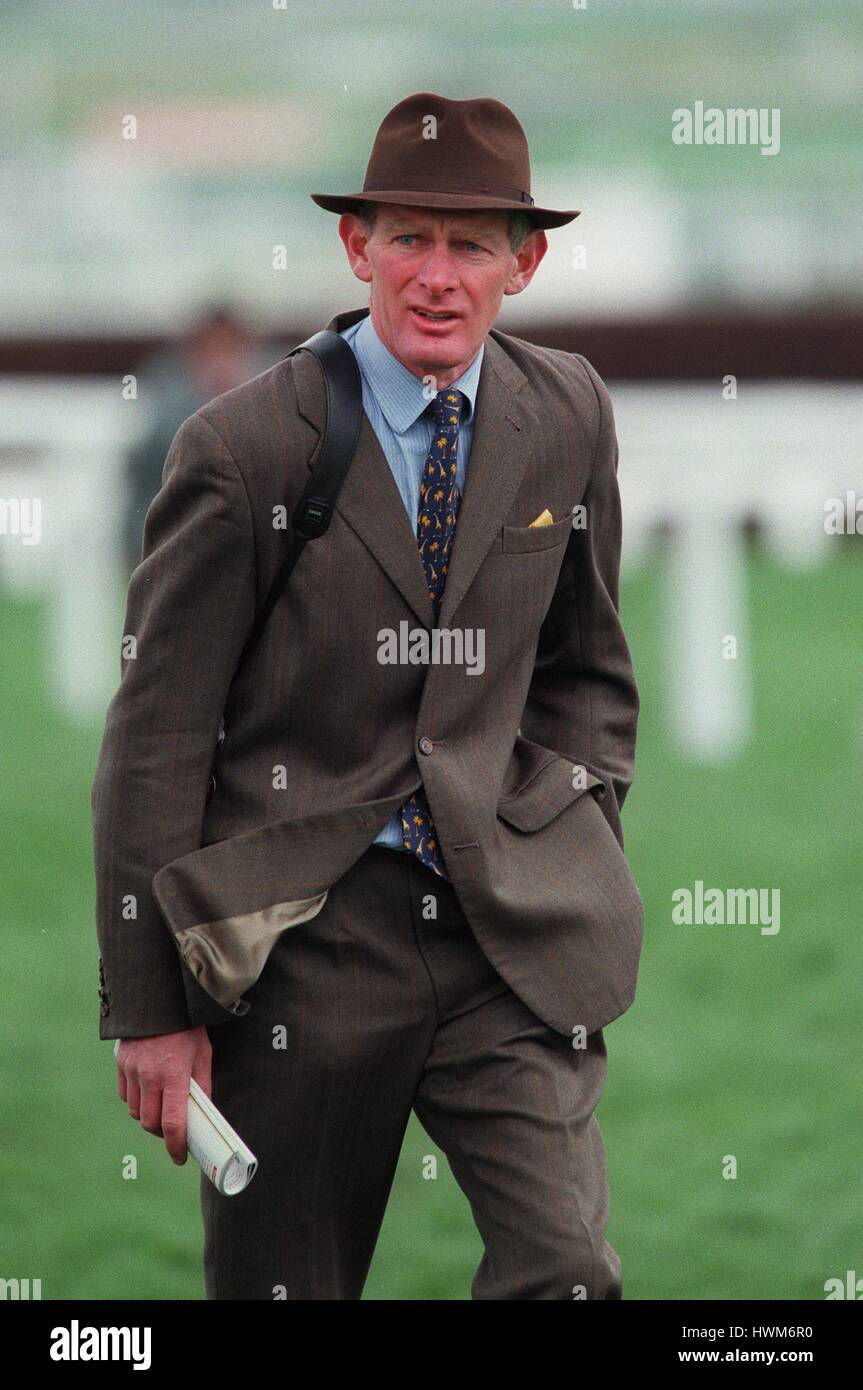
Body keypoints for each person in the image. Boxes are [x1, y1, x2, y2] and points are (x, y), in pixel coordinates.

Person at [92, 92, 643, 1300]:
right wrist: (149, 1006)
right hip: (299, 952)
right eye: (408, 238)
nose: (435, 276)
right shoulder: (242, 448)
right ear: (357, 248)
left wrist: (575, 834)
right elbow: (155, 735)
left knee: (568, 1275)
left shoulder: (565, 413)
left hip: (506, 933)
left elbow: (587, 666)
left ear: (524, 262)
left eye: (469, 246)